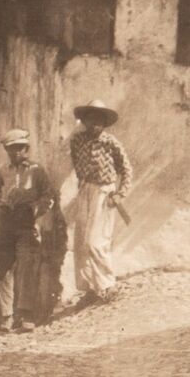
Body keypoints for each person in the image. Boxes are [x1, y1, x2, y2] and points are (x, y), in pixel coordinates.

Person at [0, 129, 59, 332]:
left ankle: (26, 316)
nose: (16, 152)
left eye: (20, 148)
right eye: (11, 149)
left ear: (26, 149)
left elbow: (49, 194)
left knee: (27, 268)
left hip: (27, 221)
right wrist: (0, 199)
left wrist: (37, 210)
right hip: (6, 220)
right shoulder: (2, 170)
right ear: (7, 150)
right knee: (3, 269)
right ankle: (5, 318)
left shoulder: (37, 170)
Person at [70, 99, 132, 304]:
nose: (94, 123)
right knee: (80, 243)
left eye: (98, 120)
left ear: (104, 122)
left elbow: (126, 169)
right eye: (90, 119)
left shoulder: (110, 142)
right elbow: (76, 164)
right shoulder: (77, 140)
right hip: (85, 190)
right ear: (84, 120)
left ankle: (107, 285)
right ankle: (90, 289)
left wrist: (120, 193)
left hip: (104, 192)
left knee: (95, 241)